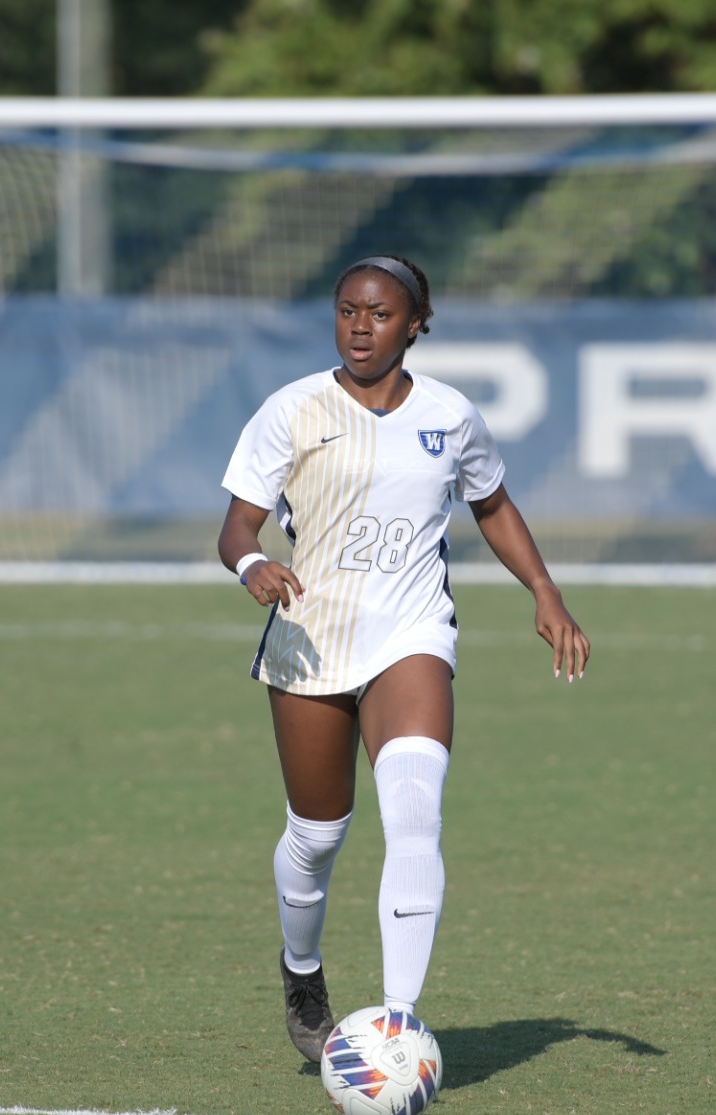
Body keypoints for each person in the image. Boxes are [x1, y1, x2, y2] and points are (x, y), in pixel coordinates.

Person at [216, 254, 591, 1062]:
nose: (360, 326)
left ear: (416, 325)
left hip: (412, 634)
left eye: (380, 314)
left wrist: (544, 590)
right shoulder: (292, 409)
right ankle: (302, 972)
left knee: (415, 812)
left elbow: (493, 503)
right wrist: (253, 564)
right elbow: (237, 524)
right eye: (347, 310)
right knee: (317, 835)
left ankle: (397, 1025)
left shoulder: (451, 415)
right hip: (311, 639)